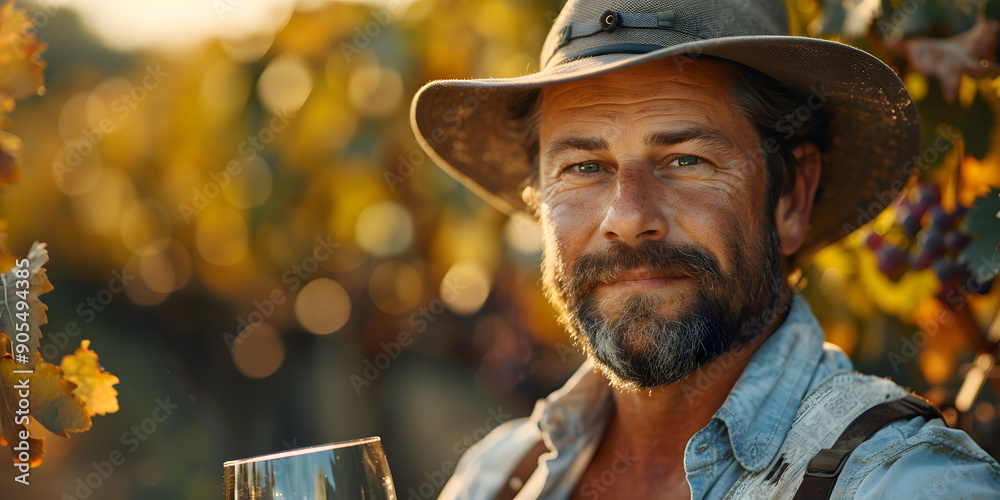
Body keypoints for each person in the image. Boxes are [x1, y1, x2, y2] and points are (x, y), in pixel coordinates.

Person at [409, 0, 1000, 498]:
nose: (629, 218)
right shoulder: (491, 478)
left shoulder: (903, 481)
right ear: (539, 201)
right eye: (584, 167)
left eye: (685, 160)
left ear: (791, 194)